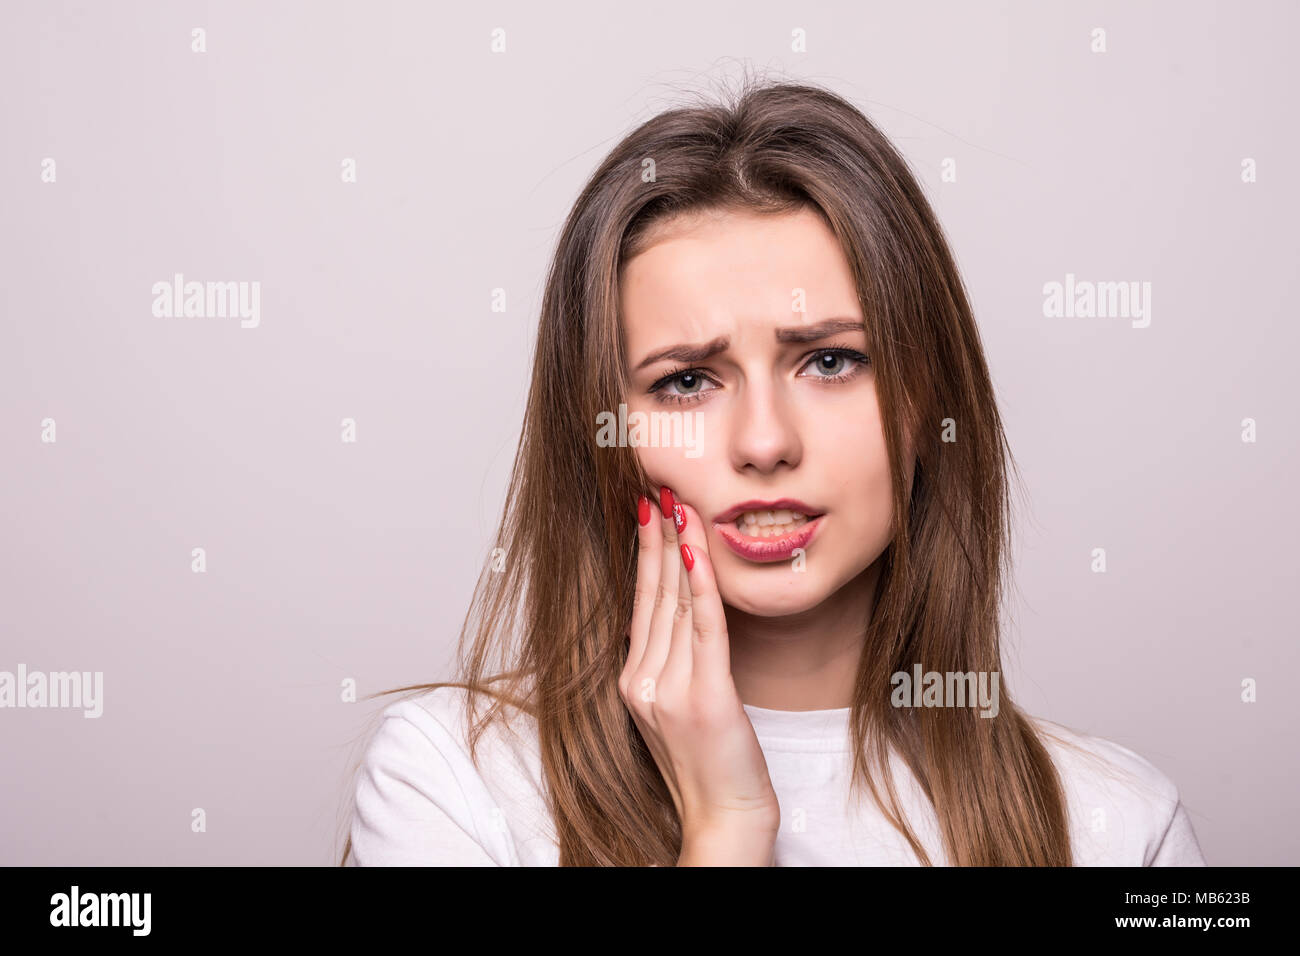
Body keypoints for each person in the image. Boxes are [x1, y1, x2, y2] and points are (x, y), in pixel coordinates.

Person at [340, 78, 1206, 866]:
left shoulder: (1119, 825)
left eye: (830, 362)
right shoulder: (449, 783)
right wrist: (726, 827)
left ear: (926, 401)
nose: (763, 443)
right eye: (686, 381)